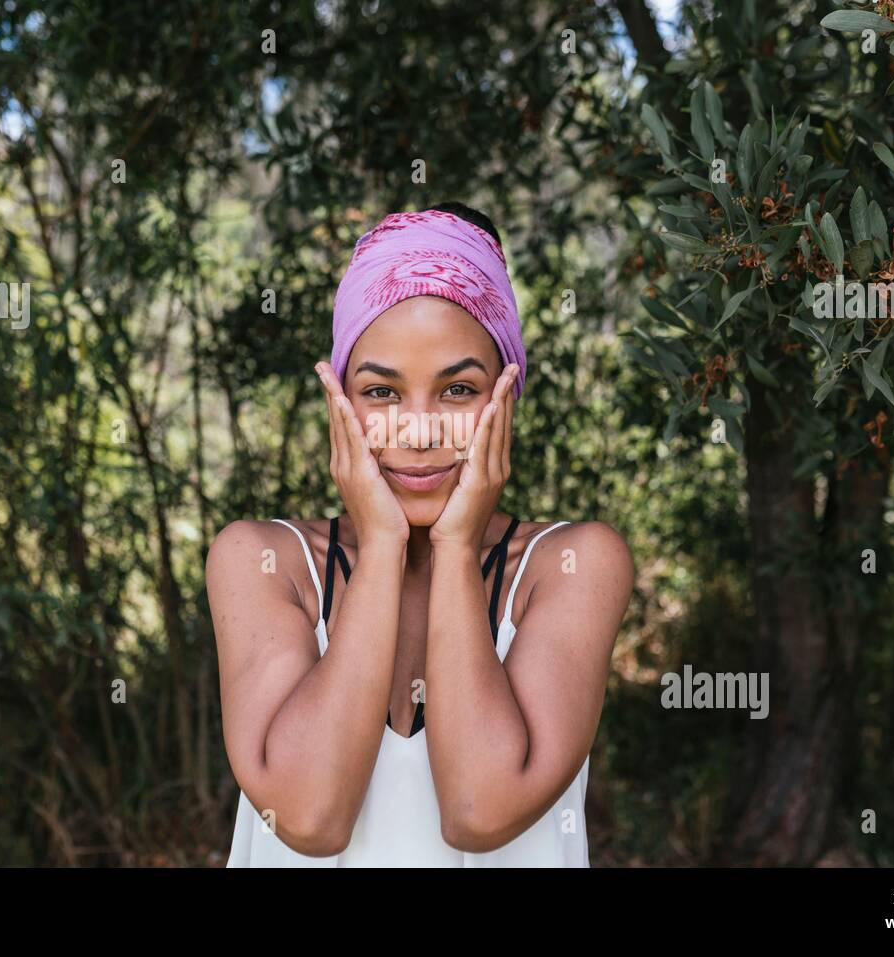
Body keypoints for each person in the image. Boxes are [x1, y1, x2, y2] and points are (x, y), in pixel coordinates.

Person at [207, 202, 634, 866]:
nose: (419, 430)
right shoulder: (264, 562)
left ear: (506, 396)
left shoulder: (573, 564)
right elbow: (310, 817)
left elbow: (477, 810)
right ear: (338, 402)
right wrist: (380, 547)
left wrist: (459, 547)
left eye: (459, 389)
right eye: (381, 393)